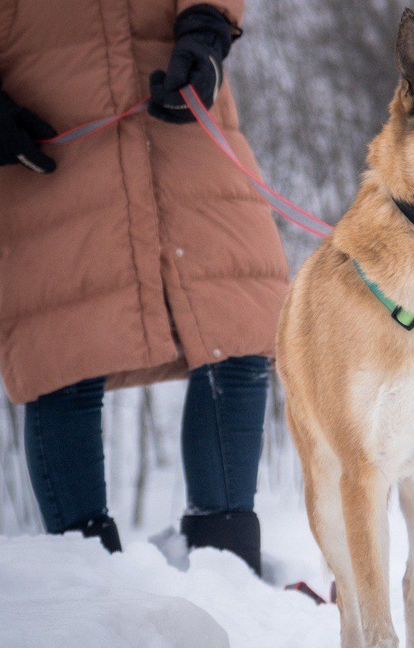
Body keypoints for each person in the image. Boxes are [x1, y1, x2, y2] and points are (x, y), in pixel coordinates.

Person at [0, 1, 289, 575]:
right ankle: (90, 591)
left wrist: (207, 26)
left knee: (239, 320)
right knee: (60, 349)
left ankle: (228, 572)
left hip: (178, 106)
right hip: (44, 132)